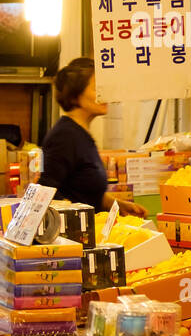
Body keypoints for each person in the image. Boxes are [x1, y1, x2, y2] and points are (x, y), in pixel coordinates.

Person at [39, 57, 147, 217]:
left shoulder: (82, 134)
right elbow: (46, 193)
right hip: (73, 236)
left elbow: (83, 192)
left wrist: (117, 205)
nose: (104, 95)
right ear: (75, 94)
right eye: (97, 88)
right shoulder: (65, 136)